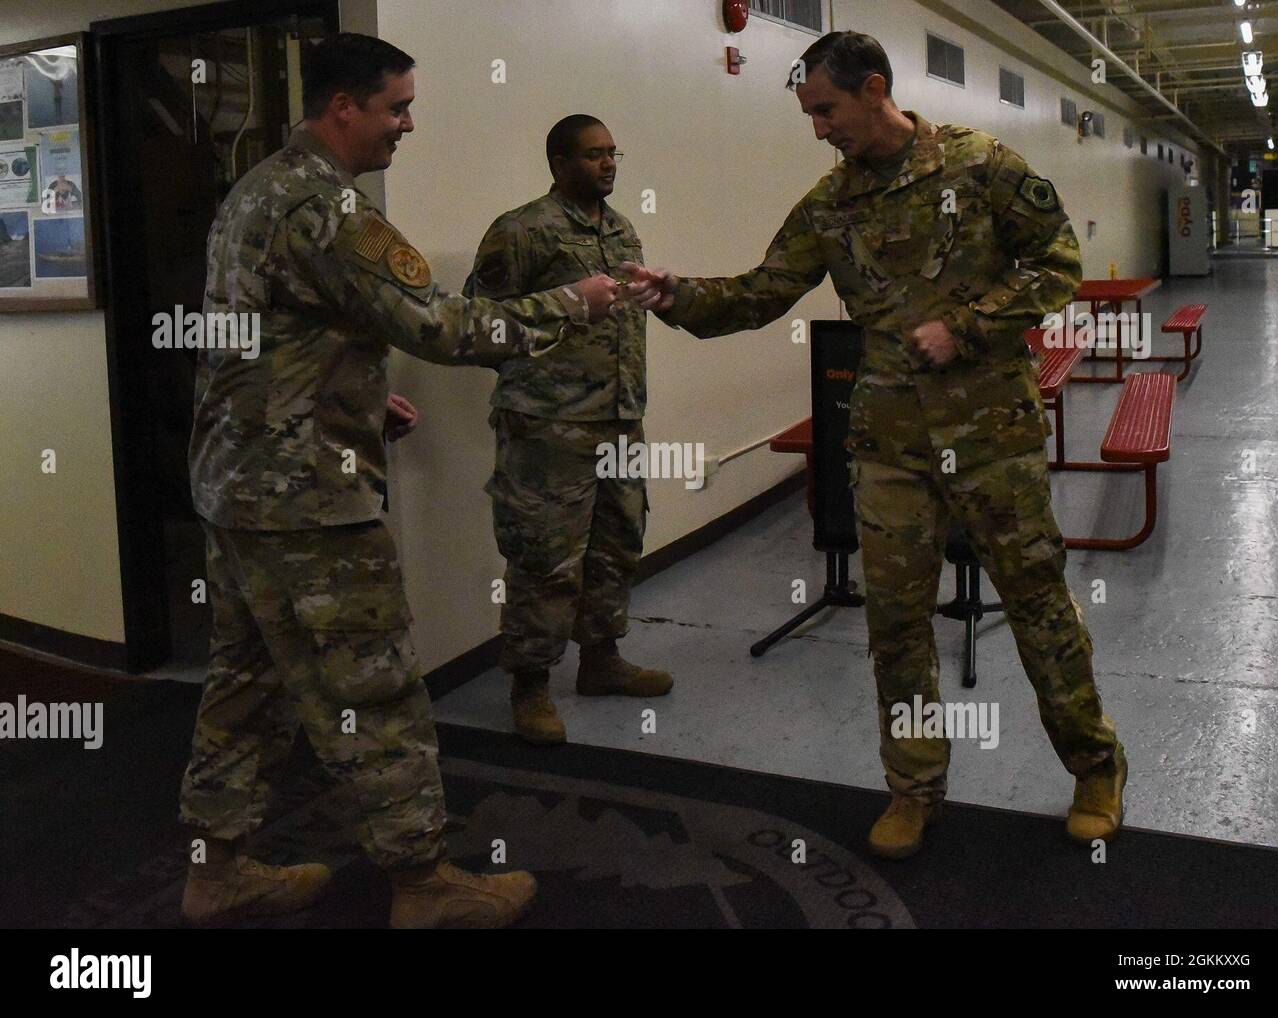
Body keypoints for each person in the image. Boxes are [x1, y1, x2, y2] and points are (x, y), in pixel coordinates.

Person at [625, 31, 1125, 859]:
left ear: (875, 88)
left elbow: (1058, 264)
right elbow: (761, 293)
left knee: (1037, 605)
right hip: (890, 445)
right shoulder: (831, 206)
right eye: (809, 116)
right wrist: (675, 295)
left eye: (826, 110)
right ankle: (913, 788)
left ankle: (1095, 766)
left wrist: (966, 326)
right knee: (895, 624)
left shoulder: (981, 164)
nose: (819, 129)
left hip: (990, 434)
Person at [179, 32, 619, 928]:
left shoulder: (253, 189)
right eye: (397, 107)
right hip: (309, 502)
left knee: (245, 684)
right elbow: (442, 327)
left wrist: (352, 397)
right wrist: (575, 302)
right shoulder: (330, 209)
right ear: (345, 107)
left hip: (236, 486)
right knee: (376, 691)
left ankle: (215, 870)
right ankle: (423, 884)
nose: (407, 125)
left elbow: (259, 334)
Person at [464, 115, 672, 746]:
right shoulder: (521, 230)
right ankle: (530, 685)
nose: (608, 165)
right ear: (558, 162)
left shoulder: (620, 228)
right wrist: (541, 385)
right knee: (546, 557)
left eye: (613, 153)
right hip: (549, 428)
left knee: (617, 540)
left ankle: (601, 661)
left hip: (618, 418)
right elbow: (482, 323)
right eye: (593, 155)